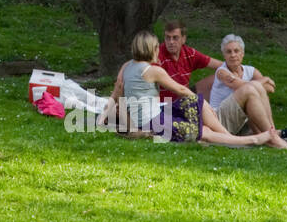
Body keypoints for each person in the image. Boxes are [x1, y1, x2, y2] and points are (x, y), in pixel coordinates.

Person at [101, 30, 274, 147]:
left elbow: (117, 92)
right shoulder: (153, 71)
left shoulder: (127, 66)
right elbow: (181, 90)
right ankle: (246, 140)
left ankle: (233, 138)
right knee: (203, 132)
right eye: (157, 47)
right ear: (151, 49)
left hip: (154, 116)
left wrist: (102, 118)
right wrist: (203, 104)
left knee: (193, 107)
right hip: (154, 122)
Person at [210, 34, 287, 152]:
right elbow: (241, 86)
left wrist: (260, 83)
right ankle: (273, 137)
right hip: (219, 120)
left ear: (242, 53)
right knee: (250, 90)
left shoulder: (250, 70)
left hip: (240, 120)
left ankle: (272, 133)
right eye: (228, 52)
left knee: (257, 89)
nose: (233, 55)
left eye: (236, 51)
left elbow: (270, 88)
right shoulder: (222, 72)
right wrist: (265, 79)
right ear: (224, 55)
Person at [155, 20, 221, 101]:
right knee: (203, 107)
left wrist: (237, 72)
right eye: (168, 38)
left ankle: (212, 107)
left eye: (175, 38)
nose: (171, 42)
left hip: (184, 98)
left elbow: (220, 65)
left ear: (183, 39)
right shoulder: (156, 55)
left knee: (219, 76)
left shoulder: (189, 53)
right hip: (165, 102)